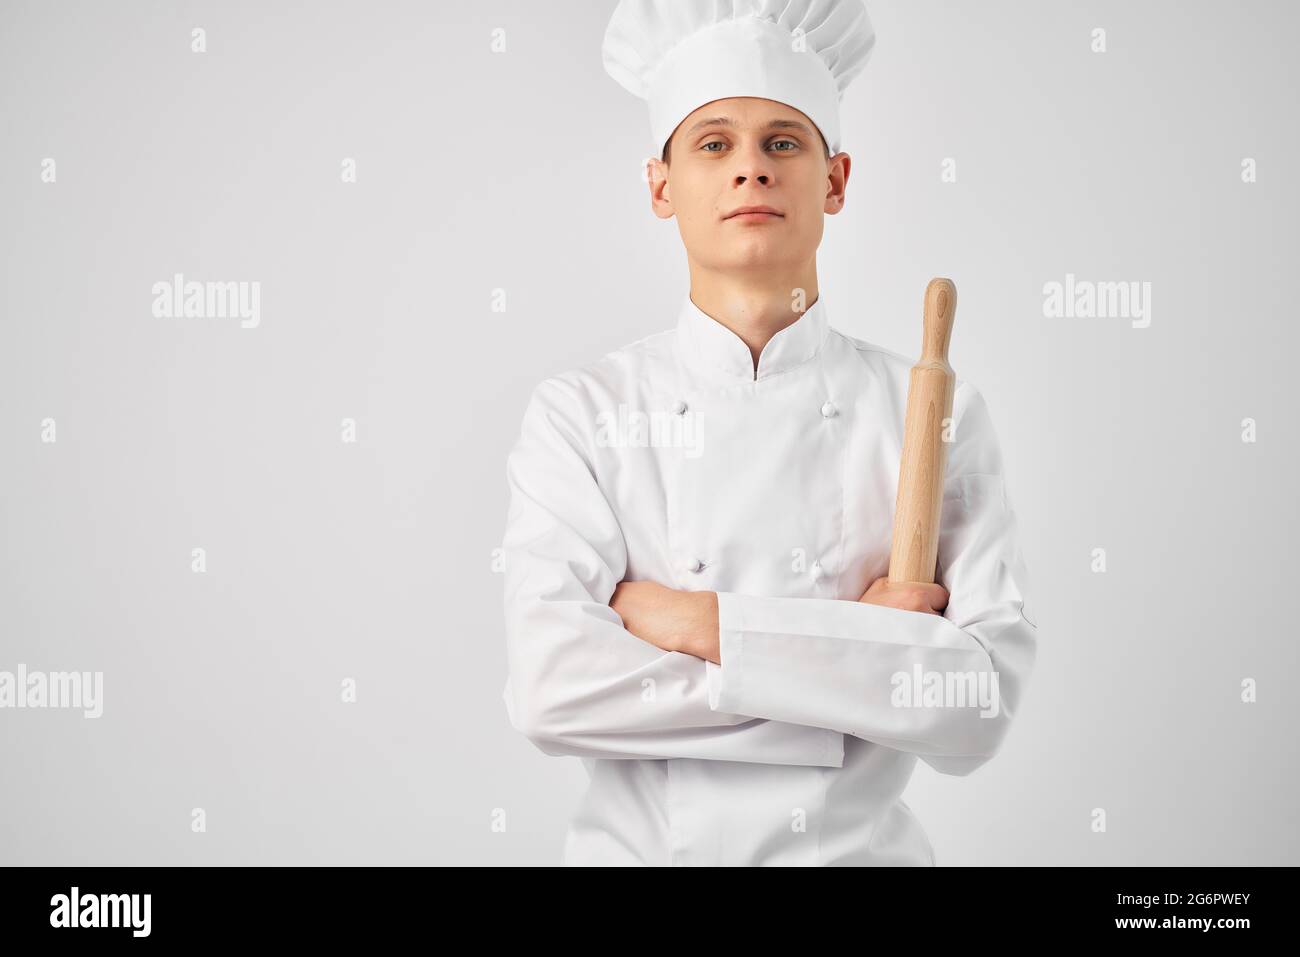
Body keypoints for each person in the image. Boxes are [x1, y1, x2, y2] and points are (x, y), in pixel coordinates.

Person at [500, 0, 1038, 866]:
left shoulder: (932, 411)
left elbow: (975, 708)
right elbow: (550, 690)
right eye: (713, 143)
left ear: (835, 180)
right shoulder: (583, 413)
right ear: (661, 185)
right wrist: (857, 660)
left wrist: (693, 621)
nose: (750, 168)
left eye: (783, 142)